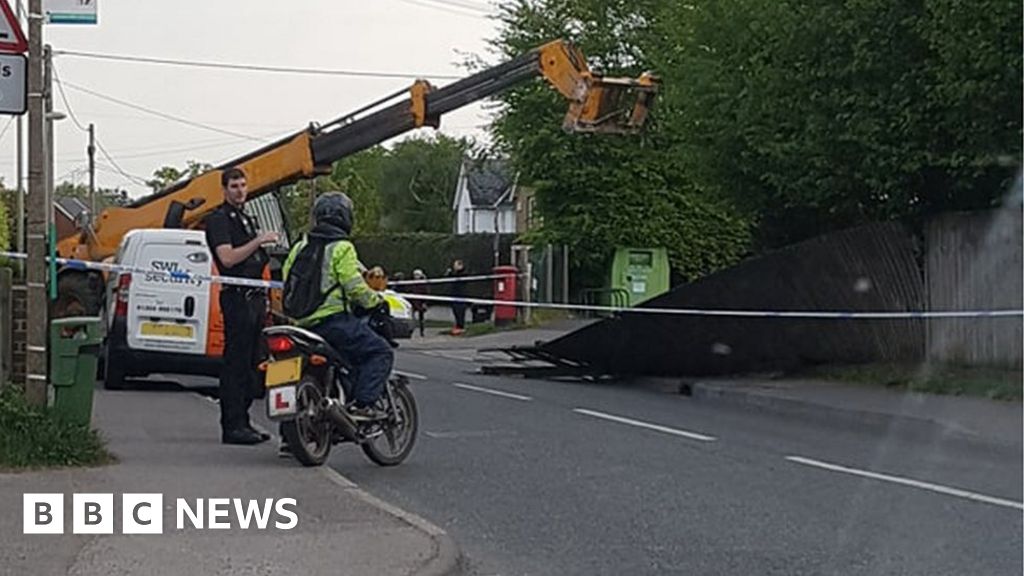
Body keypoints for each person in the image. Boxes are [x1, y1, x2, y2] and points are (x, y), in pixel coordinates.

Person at [283, 192, 394, 420]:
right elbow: (353, 285)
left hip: (300, 325)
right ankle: (363, 405)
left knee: (293, 373)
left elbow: (286, 279)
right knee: (380, 352)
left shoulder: (300, 246)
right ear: (345, 217)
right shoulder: (342, 247)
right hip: (333, 322)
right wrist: (376, 300)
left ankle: (289, 437)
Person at [204, 167, 279, 445]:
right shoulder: (220, 219)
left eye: (243, 185)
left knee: (252, 364)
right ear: (224, 189)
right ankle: (232, 425)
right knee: (236, 364)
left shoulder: (246, 218)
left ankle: (244, 421)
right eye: (234, 186)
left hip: (255, 298)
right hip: (237, 298)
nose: (239, 190)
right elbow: (228, 258)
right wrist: (258, 241)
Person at [446, 259, 468, 335]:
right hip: (454, 295)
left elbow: (461, 278)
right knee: (455, 311)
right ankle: (458, 325)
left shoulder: (463, 273)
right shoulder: (455, 273)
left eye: (456, 265)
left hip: (461, 296)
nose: (454, 267)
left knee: (460, 311)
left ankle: (461, 326)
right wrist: (449, 274)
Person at [408, 269, 430, 337]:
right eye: (415, 275)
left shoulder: (423, 283)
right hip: (412, 302)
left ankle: (422, 331)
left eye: (417, 275)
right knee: (411, 318)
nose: (416, 276)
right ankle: (410, 330)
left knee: (421, 318)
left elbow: (426, 293)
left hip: (420, 302)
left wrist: (425, 303)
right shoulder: (411, 283)